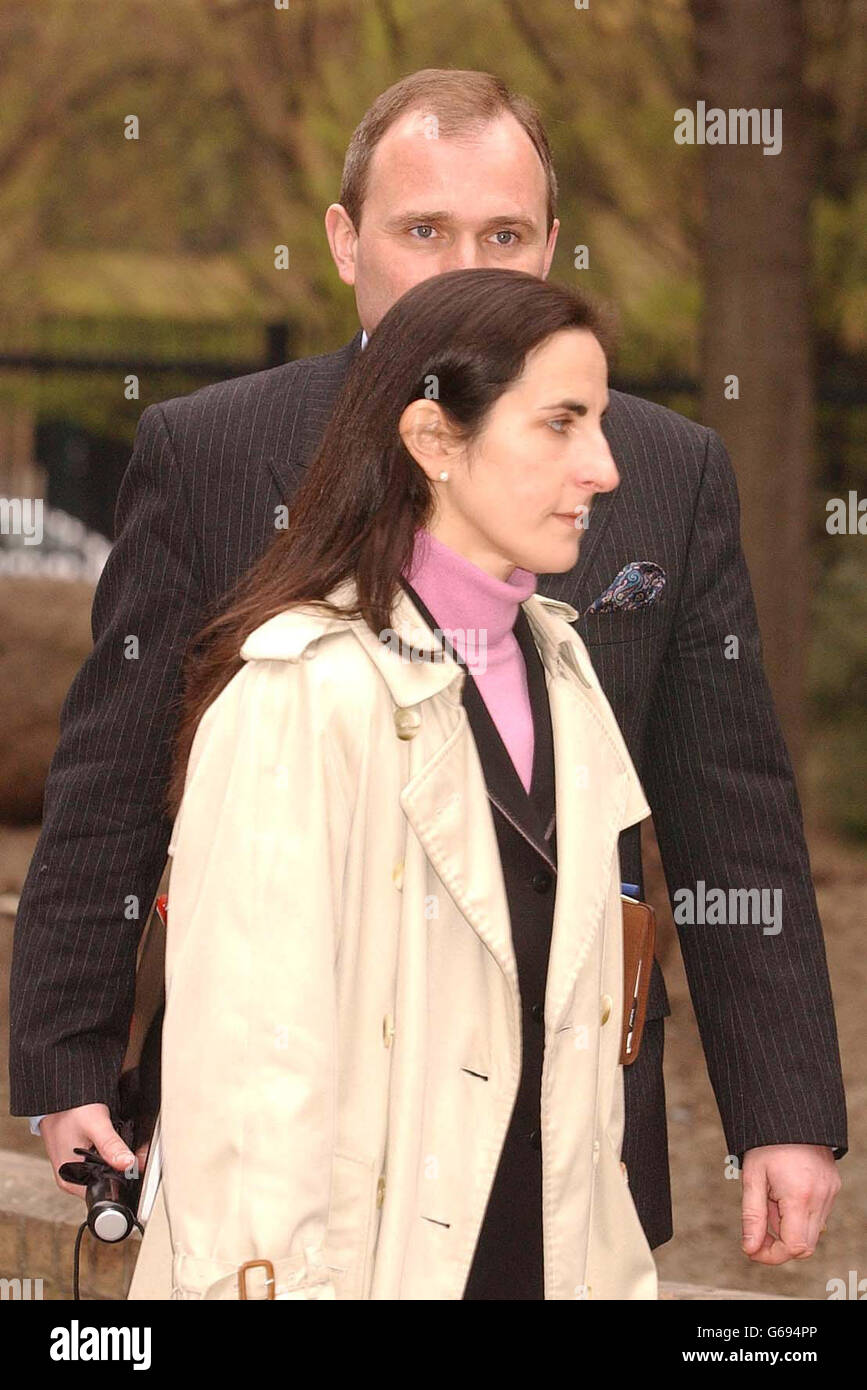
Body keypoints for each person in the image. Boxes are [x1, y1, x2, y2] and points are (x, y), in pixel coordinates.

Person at [10, 67, 844, 1272]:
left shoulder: (656, 472)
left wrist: (785, 1112)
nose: (464, 268)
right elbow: (114, 775)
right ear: (346, 242)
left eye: (503, 234)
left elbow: (734, 811)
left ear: (554, 246)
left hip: (571, 1132)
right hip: (315, 1135)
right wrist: (68, 1059)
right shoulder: (210, 452)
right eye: (423, 231)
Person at [128, 266, 657, 1300]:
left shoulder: (567, 671)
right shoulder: (301, 695)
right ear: (433, 441)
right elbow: (245, 1090)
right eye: (560, 424)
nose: (604, 467)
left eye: (598, 421)